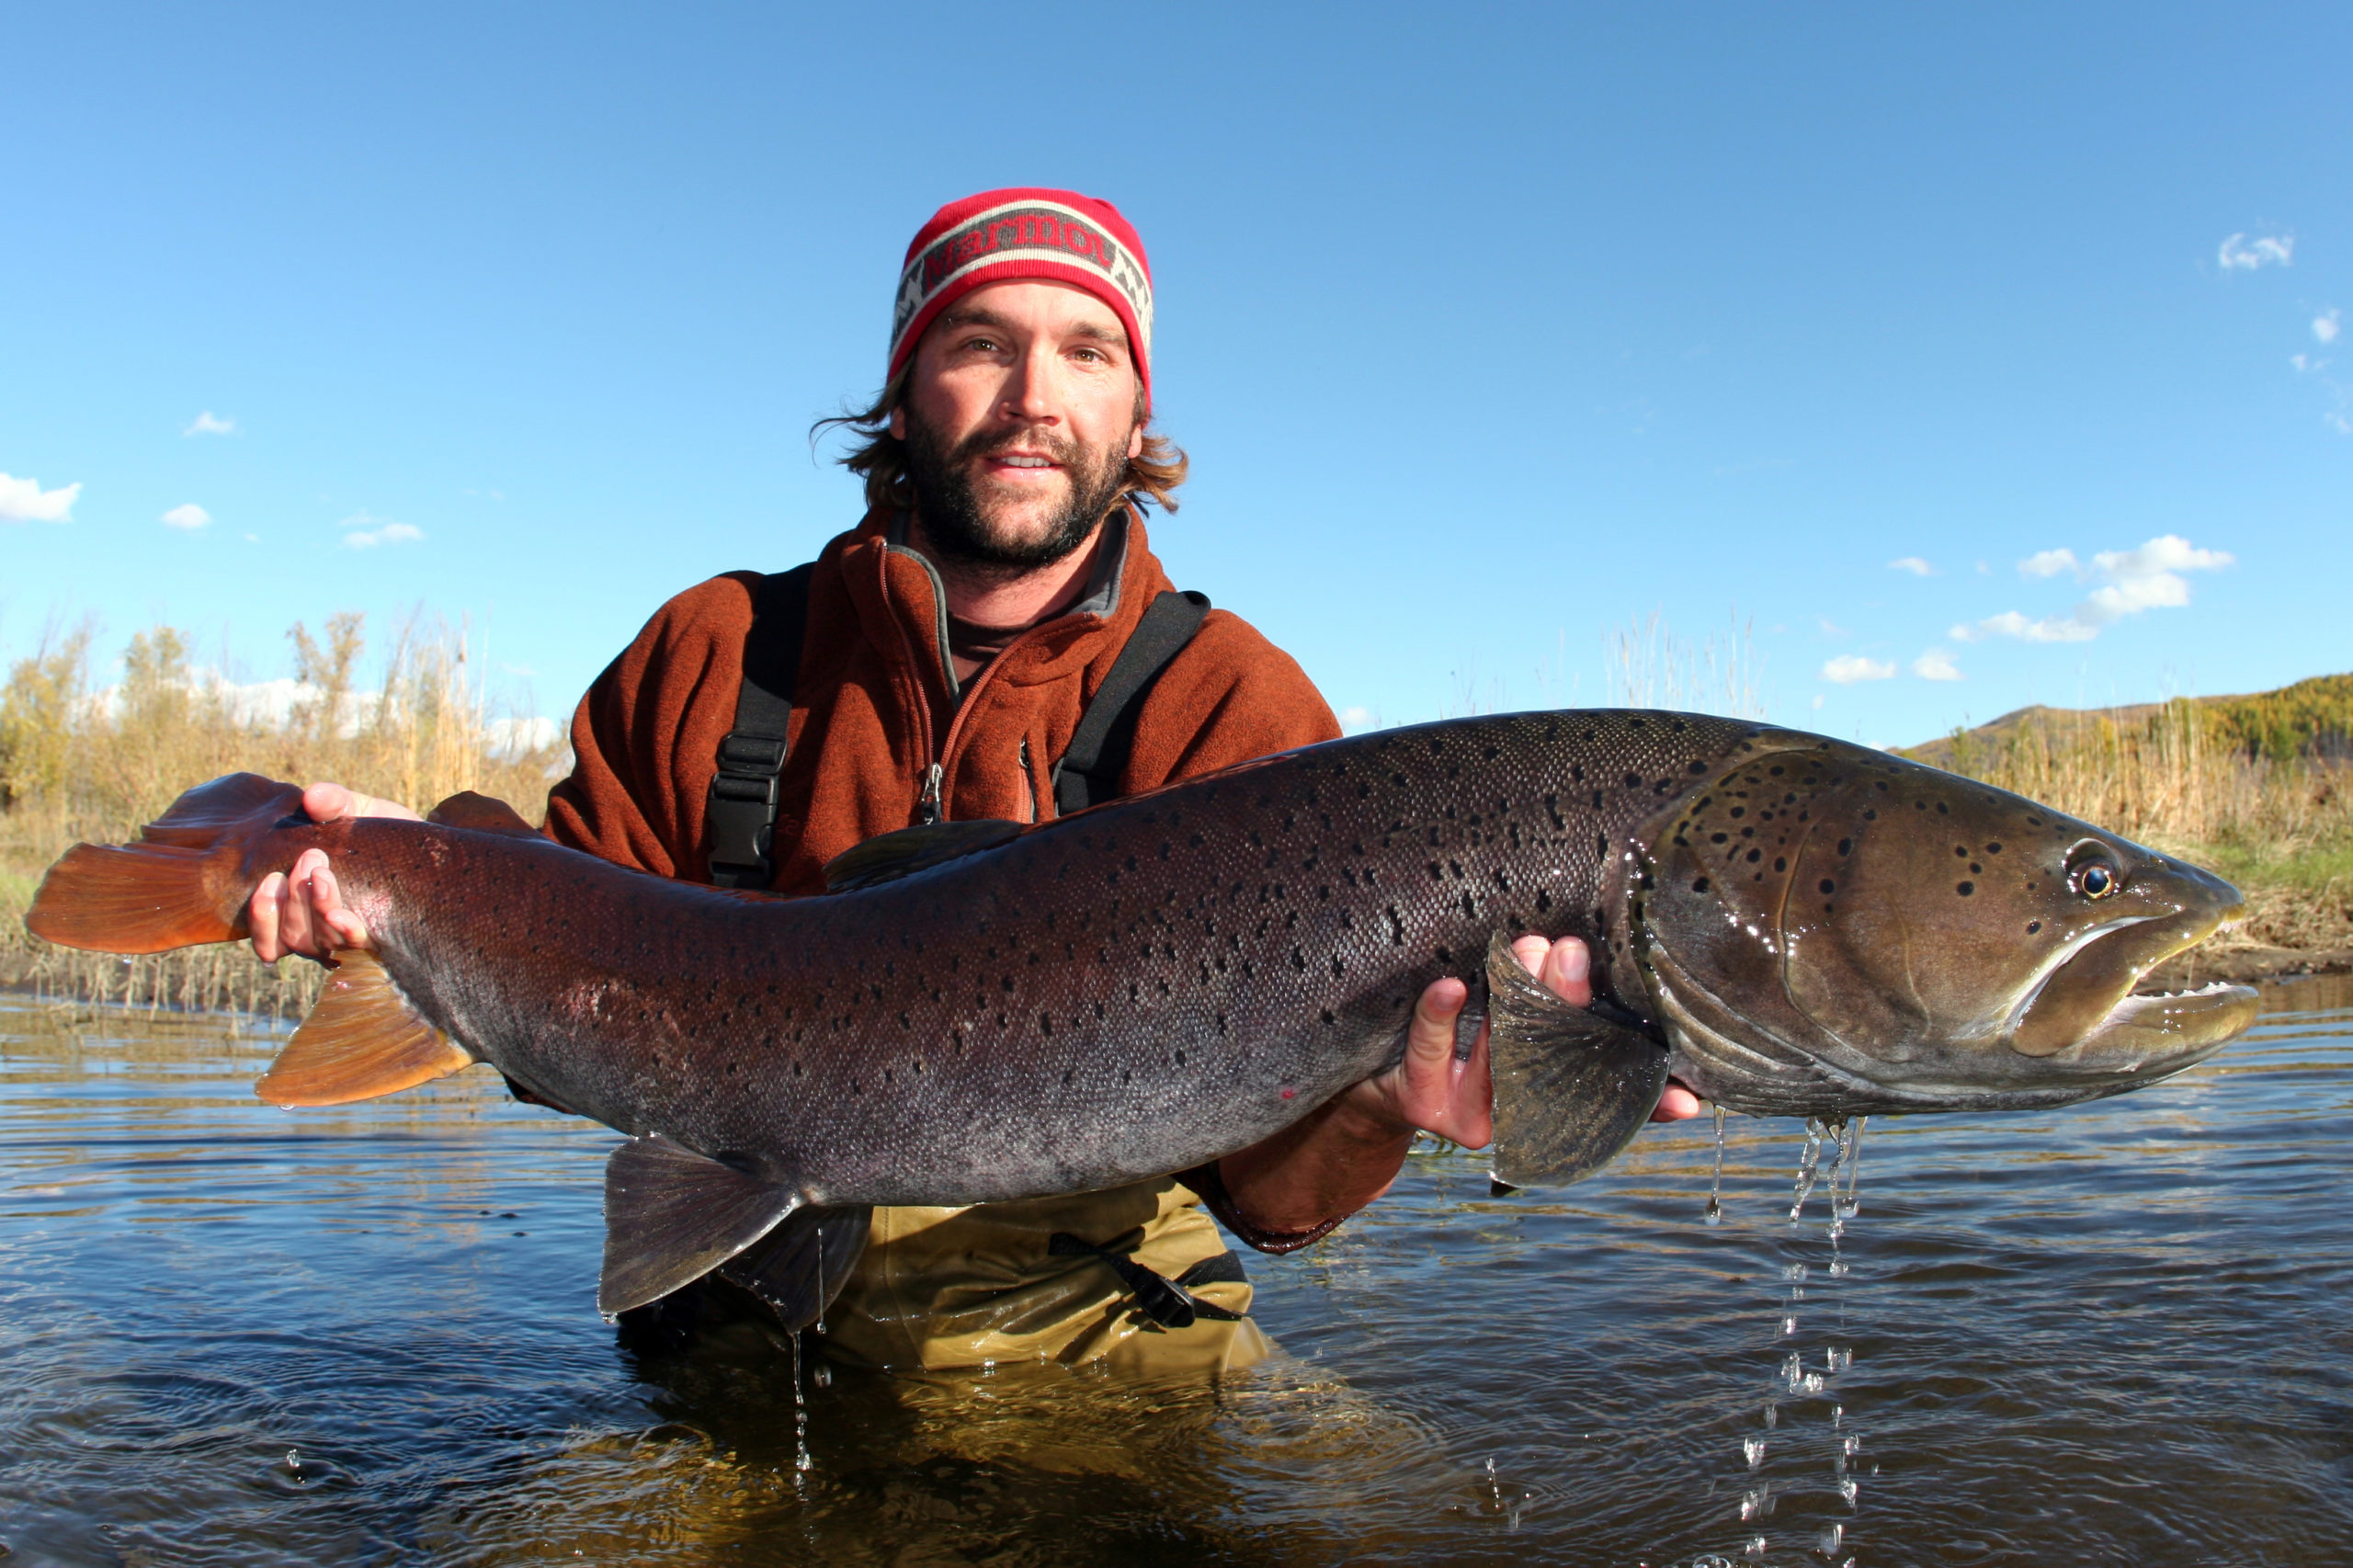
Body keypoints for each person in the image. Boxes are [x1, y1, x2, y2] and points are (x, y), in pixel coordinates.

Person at [248, 187, 1701, 1374]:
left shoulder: (1233, 704)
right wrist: (404, 895)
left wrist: (1386, 1103)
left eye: (1088, 351)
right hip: (731, 1335)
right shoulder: (717, 652)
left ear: (1137, 414)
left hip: (1102, 1345)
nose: (1033, 397)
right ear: (902, 389)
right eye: (982, 343)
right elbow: (555, 964)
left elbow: (1270, 1203)